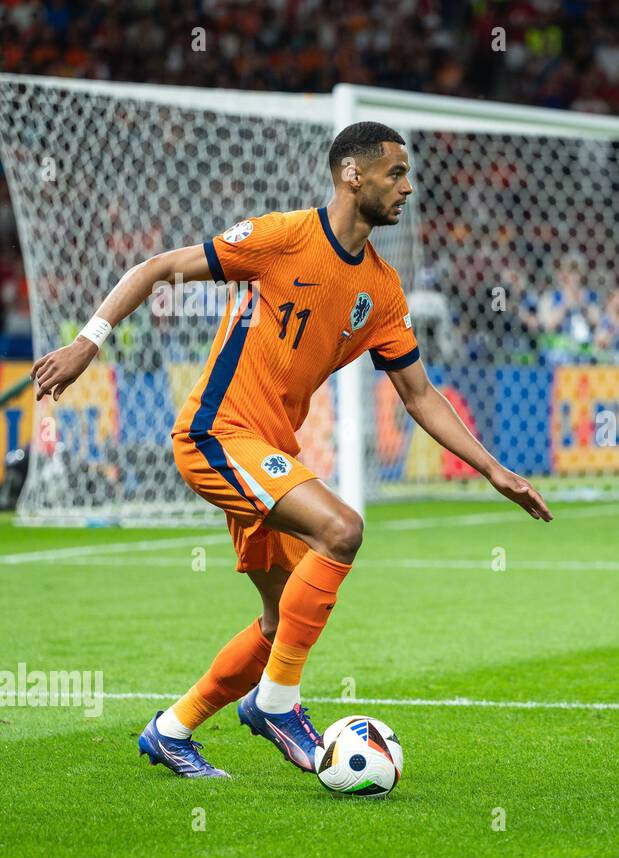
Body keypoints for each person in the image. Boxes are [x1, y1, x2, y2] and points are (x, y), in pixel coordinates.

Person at [30, 122, 552, 778]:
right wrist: (89, 341)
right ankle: (276, 704)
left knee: (279, 623)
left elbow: (420, 396)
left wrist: (495, 470)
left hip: (267, 450)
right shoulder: (281, 237)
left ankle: (171, 730)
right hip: (215, 434)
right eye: (395, 173)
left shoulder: (383, 290)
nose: (408, 187)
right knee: (342, 530)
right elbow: (158, 268)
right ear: (352, 175)